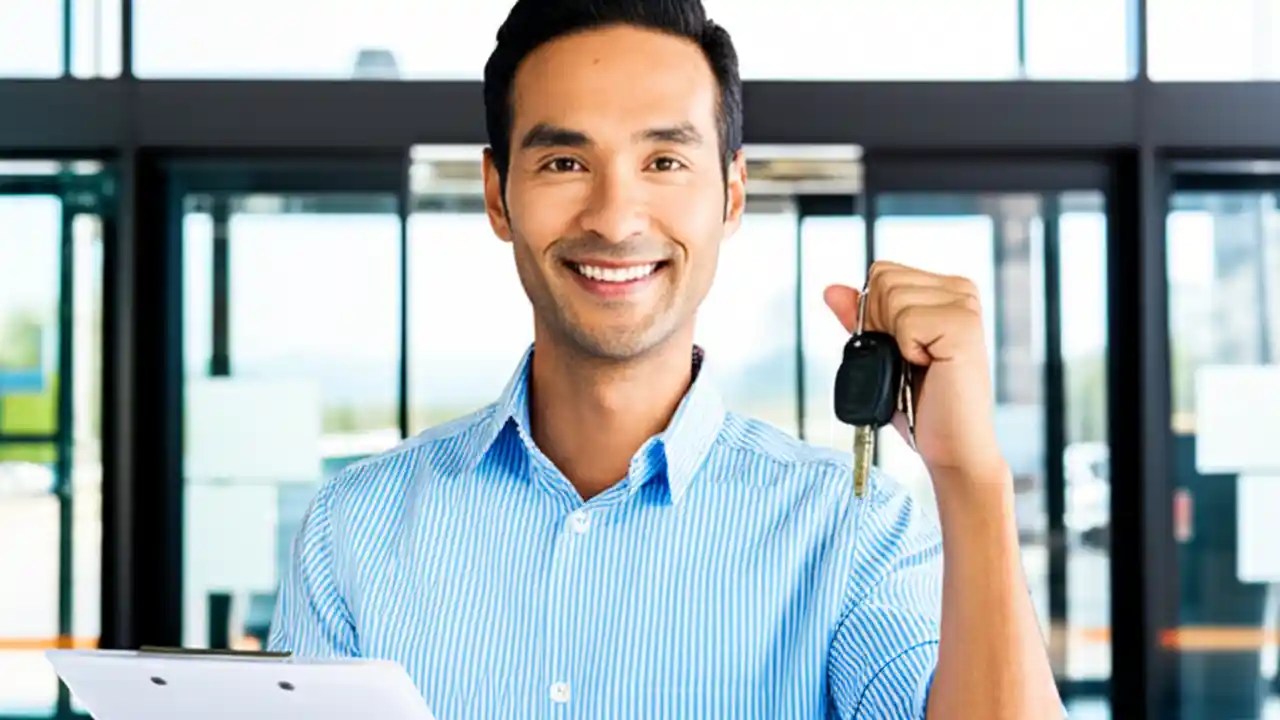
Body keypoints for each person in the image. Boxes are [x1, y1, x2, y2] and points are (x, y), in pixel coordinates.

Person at [268, 1, 1063, 717]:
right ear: (497, 194)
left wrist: (968, 477)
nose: (615, 219)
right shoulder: (354, 532)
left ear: (732, 194)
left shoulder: (851, 532)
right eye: (564, 162)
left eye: (664, 161)